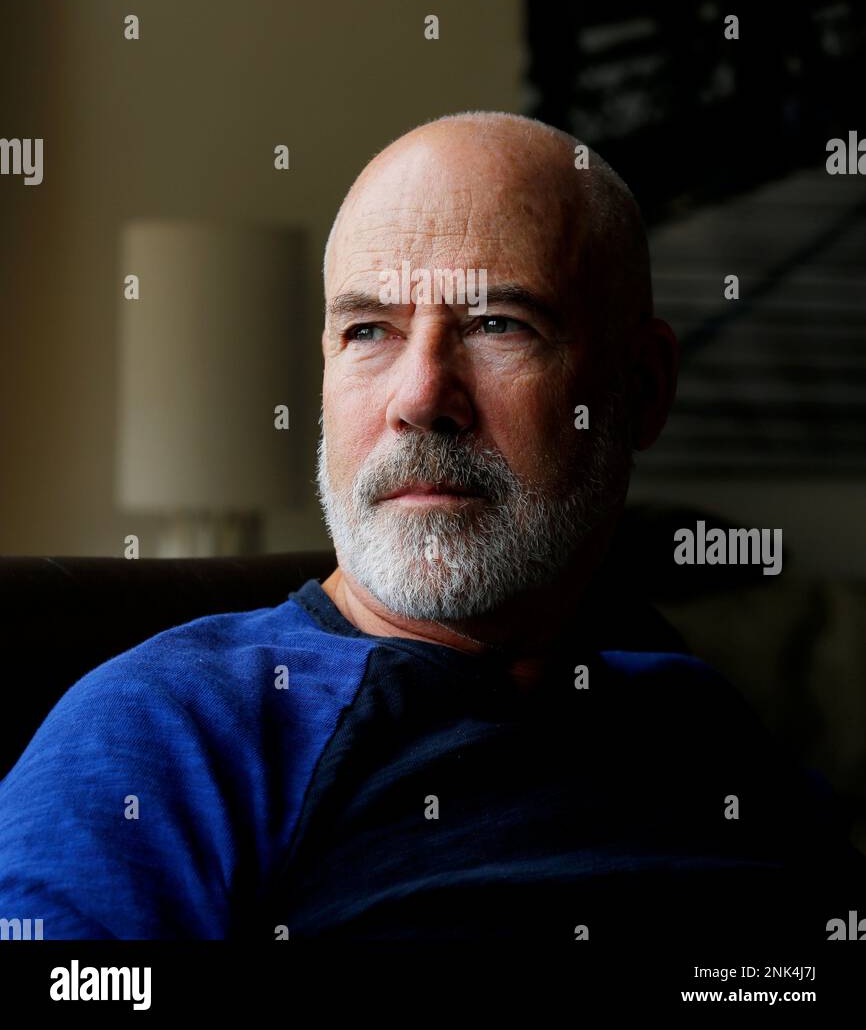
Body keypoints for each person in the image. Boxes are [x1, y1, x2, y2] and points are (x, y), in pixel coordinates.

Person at [0, 111, 860, 943]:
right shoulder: (171, 732)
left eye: (496, 325)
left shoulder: (698, 720)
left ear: (641, 388)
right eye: (370, 330)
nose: (419, 399)